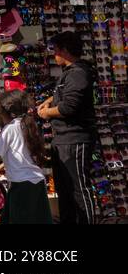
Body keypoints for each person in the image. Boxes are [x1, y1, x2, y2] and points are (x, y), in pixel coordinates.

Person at [37, 31, 98, 225]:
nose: (54, 54)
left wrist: (47, 113)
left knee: (79, 189)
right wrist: (49, 100)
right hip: (64, 139)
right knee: (65, 189)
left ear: (64, 51)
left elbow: (68, 107)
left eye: (55, 50)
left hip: (75, 139)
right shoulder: (70, 73)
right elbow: (65, 96)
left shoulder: (78, 73)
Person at [0, 90, 52, 225]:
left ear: (8, 112)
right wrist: (1, 167)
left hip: (22, 185)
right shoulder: (26, 125)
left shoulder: (9, 128)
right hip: (36, 182)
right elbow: (22, 154)